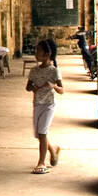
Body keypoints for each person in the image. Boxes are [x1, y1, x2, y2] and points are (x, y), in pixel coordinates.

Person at [25, 38, 63, 174]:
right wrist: (32, 87)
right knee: (39, 135)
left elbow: (62, 90)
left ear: (48, 54)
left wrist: (53, 86)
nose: (36, 53)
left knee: (42, 133)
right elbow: (27, 87)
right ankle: (53, 150)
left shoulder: (54, 71)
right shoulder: (34, 70)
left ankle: (41, 163)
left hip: (49, 105)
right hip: (37, 104)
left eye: (39, 51)